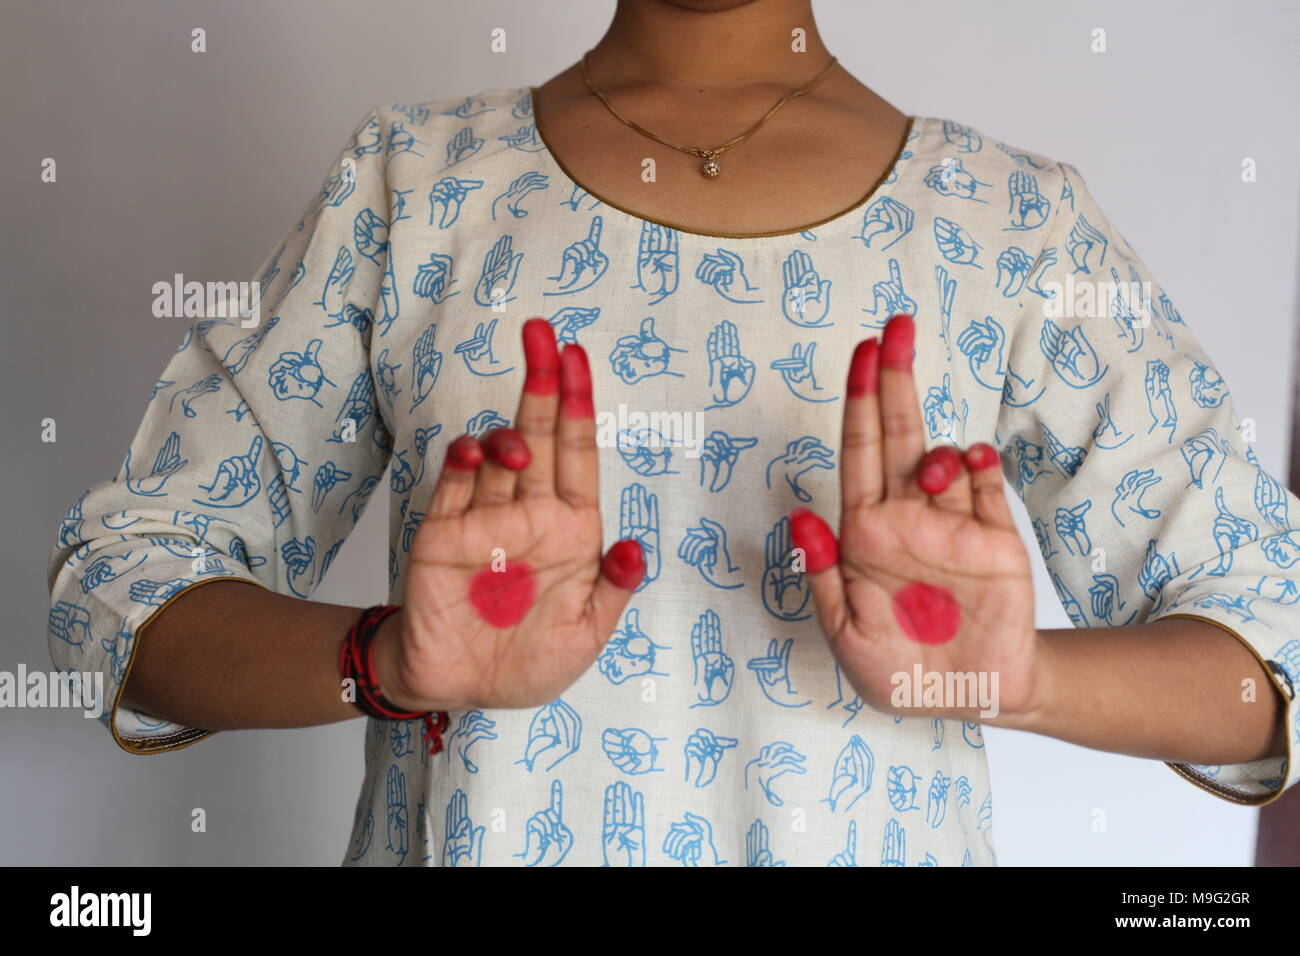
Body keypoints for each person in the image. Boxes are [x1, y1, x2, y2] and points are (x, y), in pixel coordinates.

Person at [47, 0, 1298, 867]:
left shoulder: (1013, 224)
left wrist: (1015, 678)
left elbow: (1270, 650)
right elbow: (123, 589)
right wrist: (384, 661)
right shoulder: (414, 190)